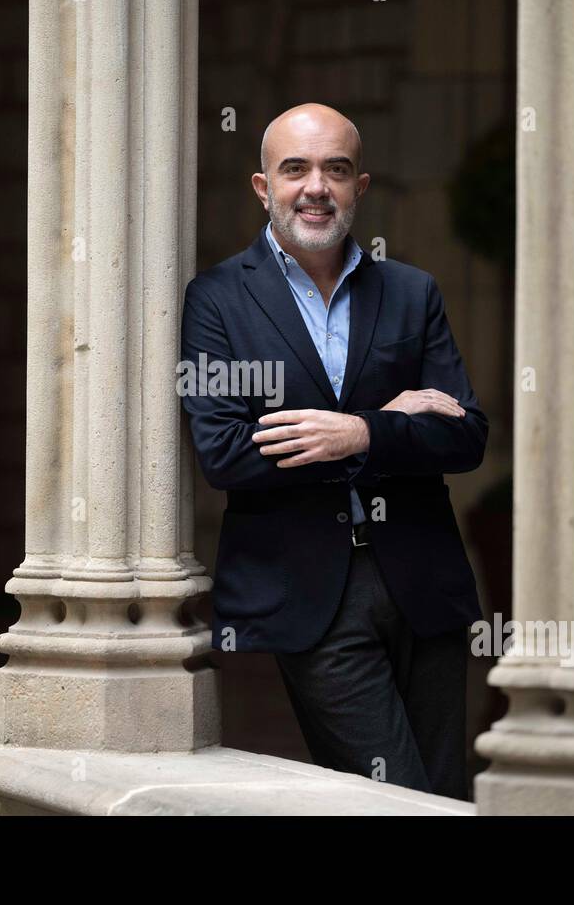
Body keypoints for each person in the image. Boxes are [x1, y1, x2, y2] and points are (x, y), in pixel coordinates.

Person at [179, 102, 488, 799]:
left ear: (360, 187)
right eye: (296, 168)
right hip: (310, 597)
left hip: (422, 583)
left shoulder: (412, 293)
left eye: (336, 170)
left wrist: (355, 432)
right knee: (390, 796)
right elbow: (225, 452)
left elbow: (466, 434)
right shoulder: (217, 300)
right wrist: (380, 425)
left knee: (443, 794)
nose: (316, 186)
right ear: (264, 187)